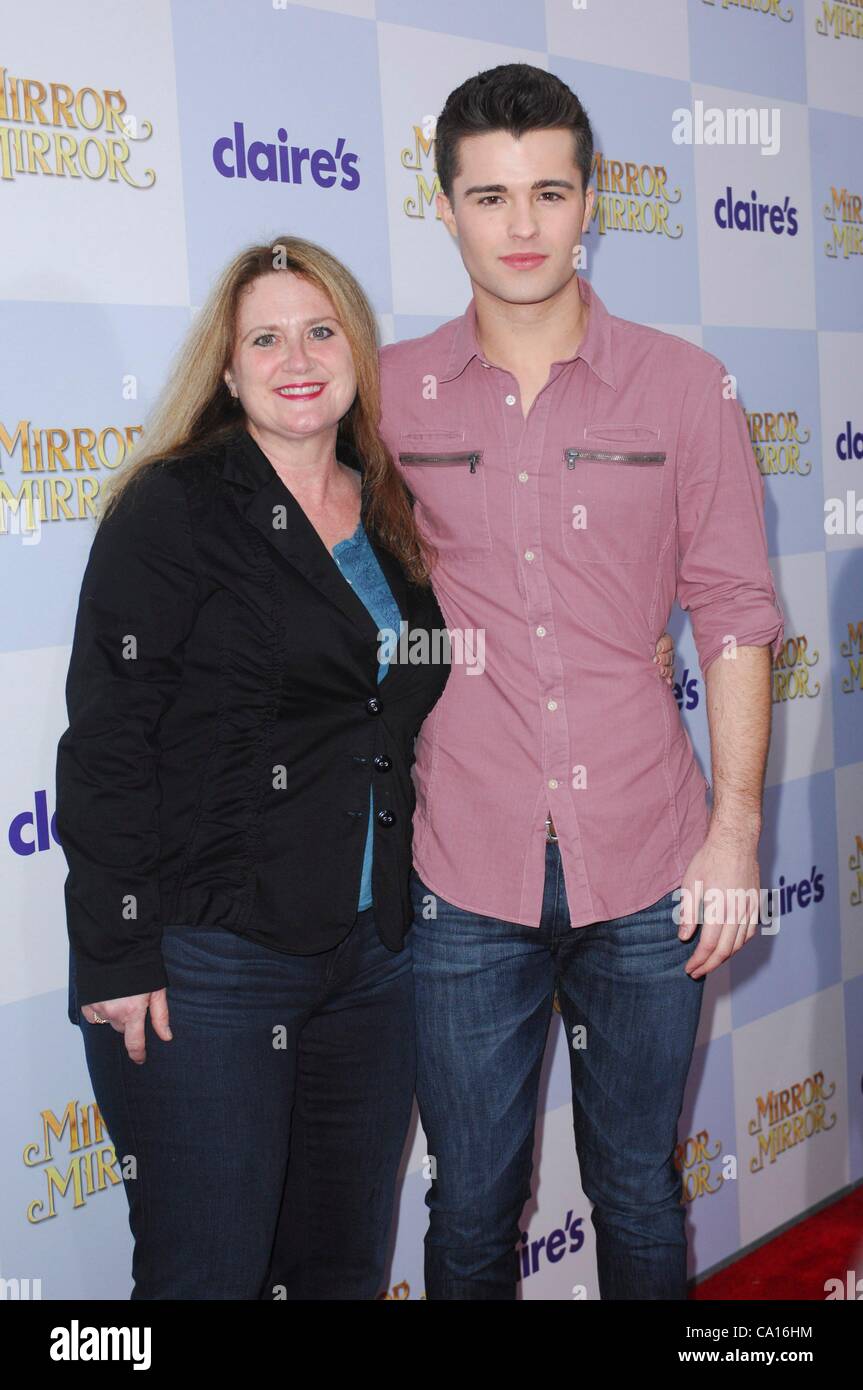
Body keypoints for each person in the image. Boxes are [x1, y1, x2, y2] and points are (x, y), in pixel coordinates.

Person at [377, 64, 785, 1300]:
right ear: (442, 206)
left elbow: (733, 612)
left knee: (640, 1194)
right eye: (487, 196)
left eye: (546, 192)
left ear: (591, 199)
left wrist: (733, 829)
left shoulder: (681, 384)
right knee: (467, 1209)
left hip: (652, 860)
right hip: (461, 857)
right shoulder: (386, 394)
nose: (518, 226)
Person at [55, 237, 452, 1300]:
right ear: (226, 371)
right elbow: (105, 740)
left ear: (357, 352)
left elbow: (416, 683)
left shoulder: (388, 513)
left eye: (320, 330)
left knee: (336, 1269)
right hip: (209, 963)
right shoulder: (175, 506)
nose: (296, 357)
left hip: (373, 960)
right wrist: (117, 953)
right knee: (207, 1277)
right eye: (264, 338)